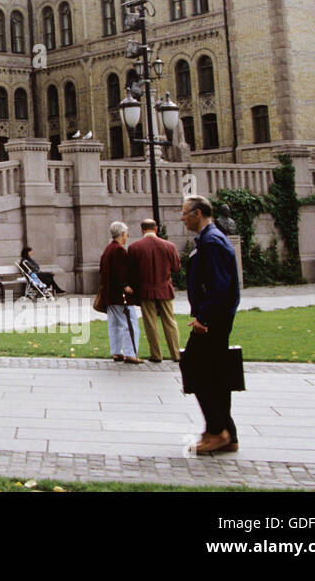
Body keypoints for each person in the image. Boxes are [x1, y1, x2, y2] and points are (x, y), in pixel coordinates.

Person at [181, 195, 241, 455]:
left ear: (197, 213)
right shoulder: (209, 239)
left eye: (184, 213)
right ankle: (225, 432)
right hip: (214, 318)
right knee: (214, 373)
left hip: (212, 321)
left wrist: (204, 319)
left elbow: (218, 285)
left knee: (195, 366)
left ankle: (218, 431)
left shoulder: (211, 241)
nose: (182, 218)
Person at [126, 219, 182, 364]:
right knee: (169, 321)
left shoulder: (134, 247)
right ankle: (176, 353)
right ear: (156, 229)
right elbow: (176, 267)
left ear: (142, 230)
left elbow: (131, 271)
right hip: (164, 287)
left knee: (150, 322)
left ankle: (156, 354)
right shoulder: (169, 246)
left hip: (145, 289)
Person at [99, 221, 141, 364]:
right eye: (126, 233)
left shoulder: (108, 249)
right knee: (130, 323)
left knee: (115, 324)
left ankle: (117, 352)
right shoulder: (119, 250)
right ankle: (130, 353)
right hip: (119, 296)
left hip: (109, 294)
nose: (127, 236)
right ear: (122, 234)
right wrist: (125, 285)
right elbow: (121, 271)